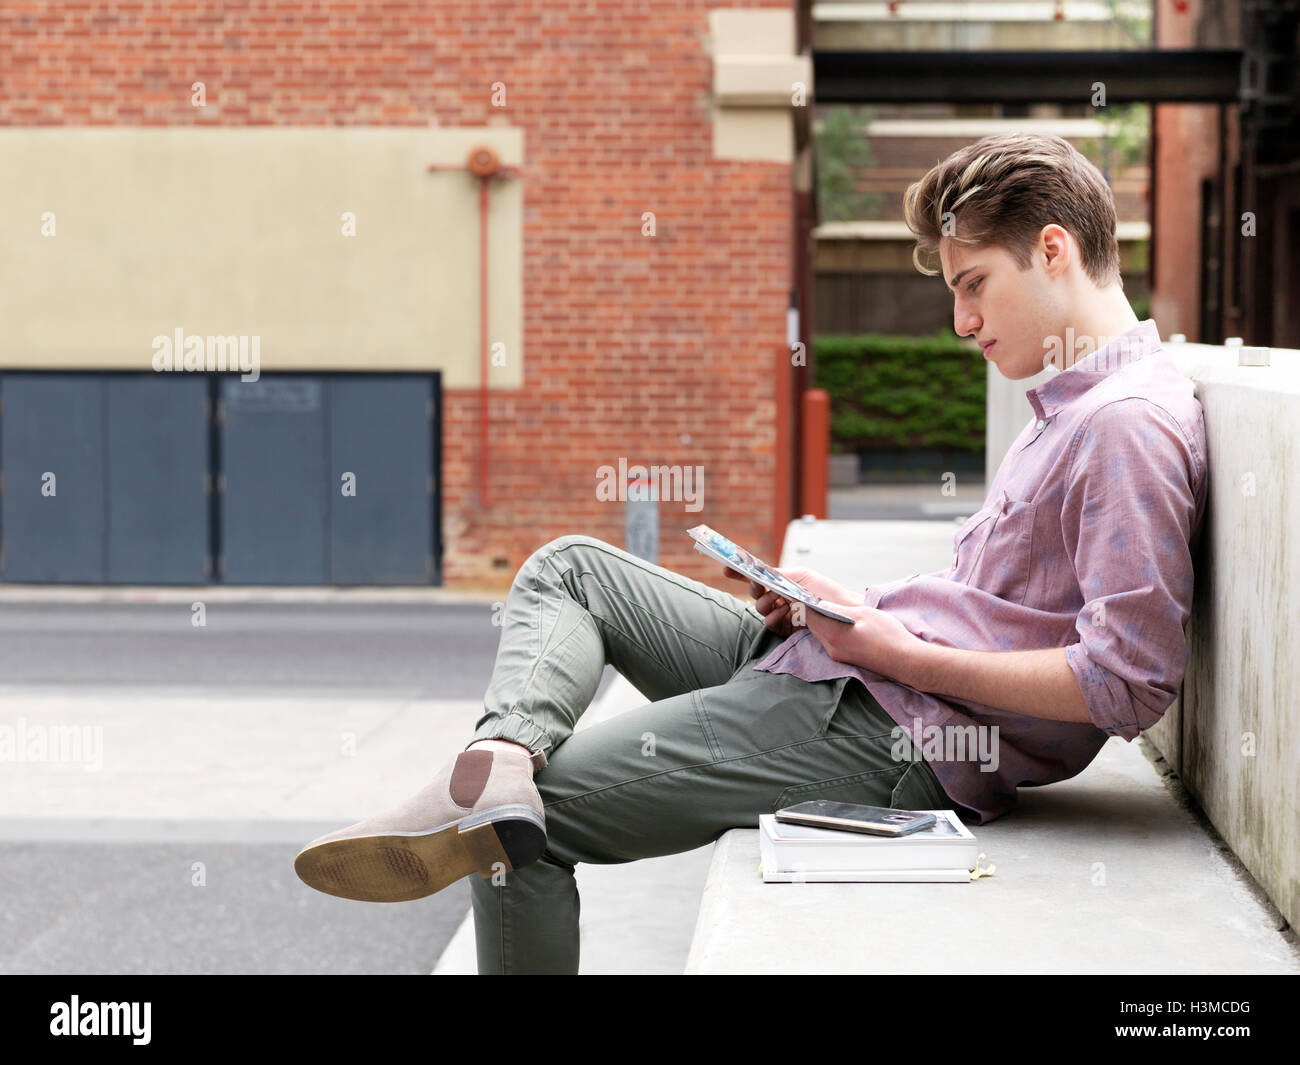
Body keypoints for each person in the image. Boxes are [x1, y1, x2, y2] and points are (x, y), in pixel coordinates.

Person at [293, 132, 1207, 974]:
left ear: (1053, 250)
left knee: (522, 823)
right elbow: (996, 608)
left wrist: (898, 651)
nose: (961, 322)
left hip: (895, 730)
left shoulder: (1125, 427)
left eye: (972, 284)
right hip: (857, 668)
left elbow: (1129, 682)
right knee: (571, 565)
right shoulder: (1072, 407)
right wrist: (851, 604)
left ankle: (496, 786)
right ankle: (498, 748)